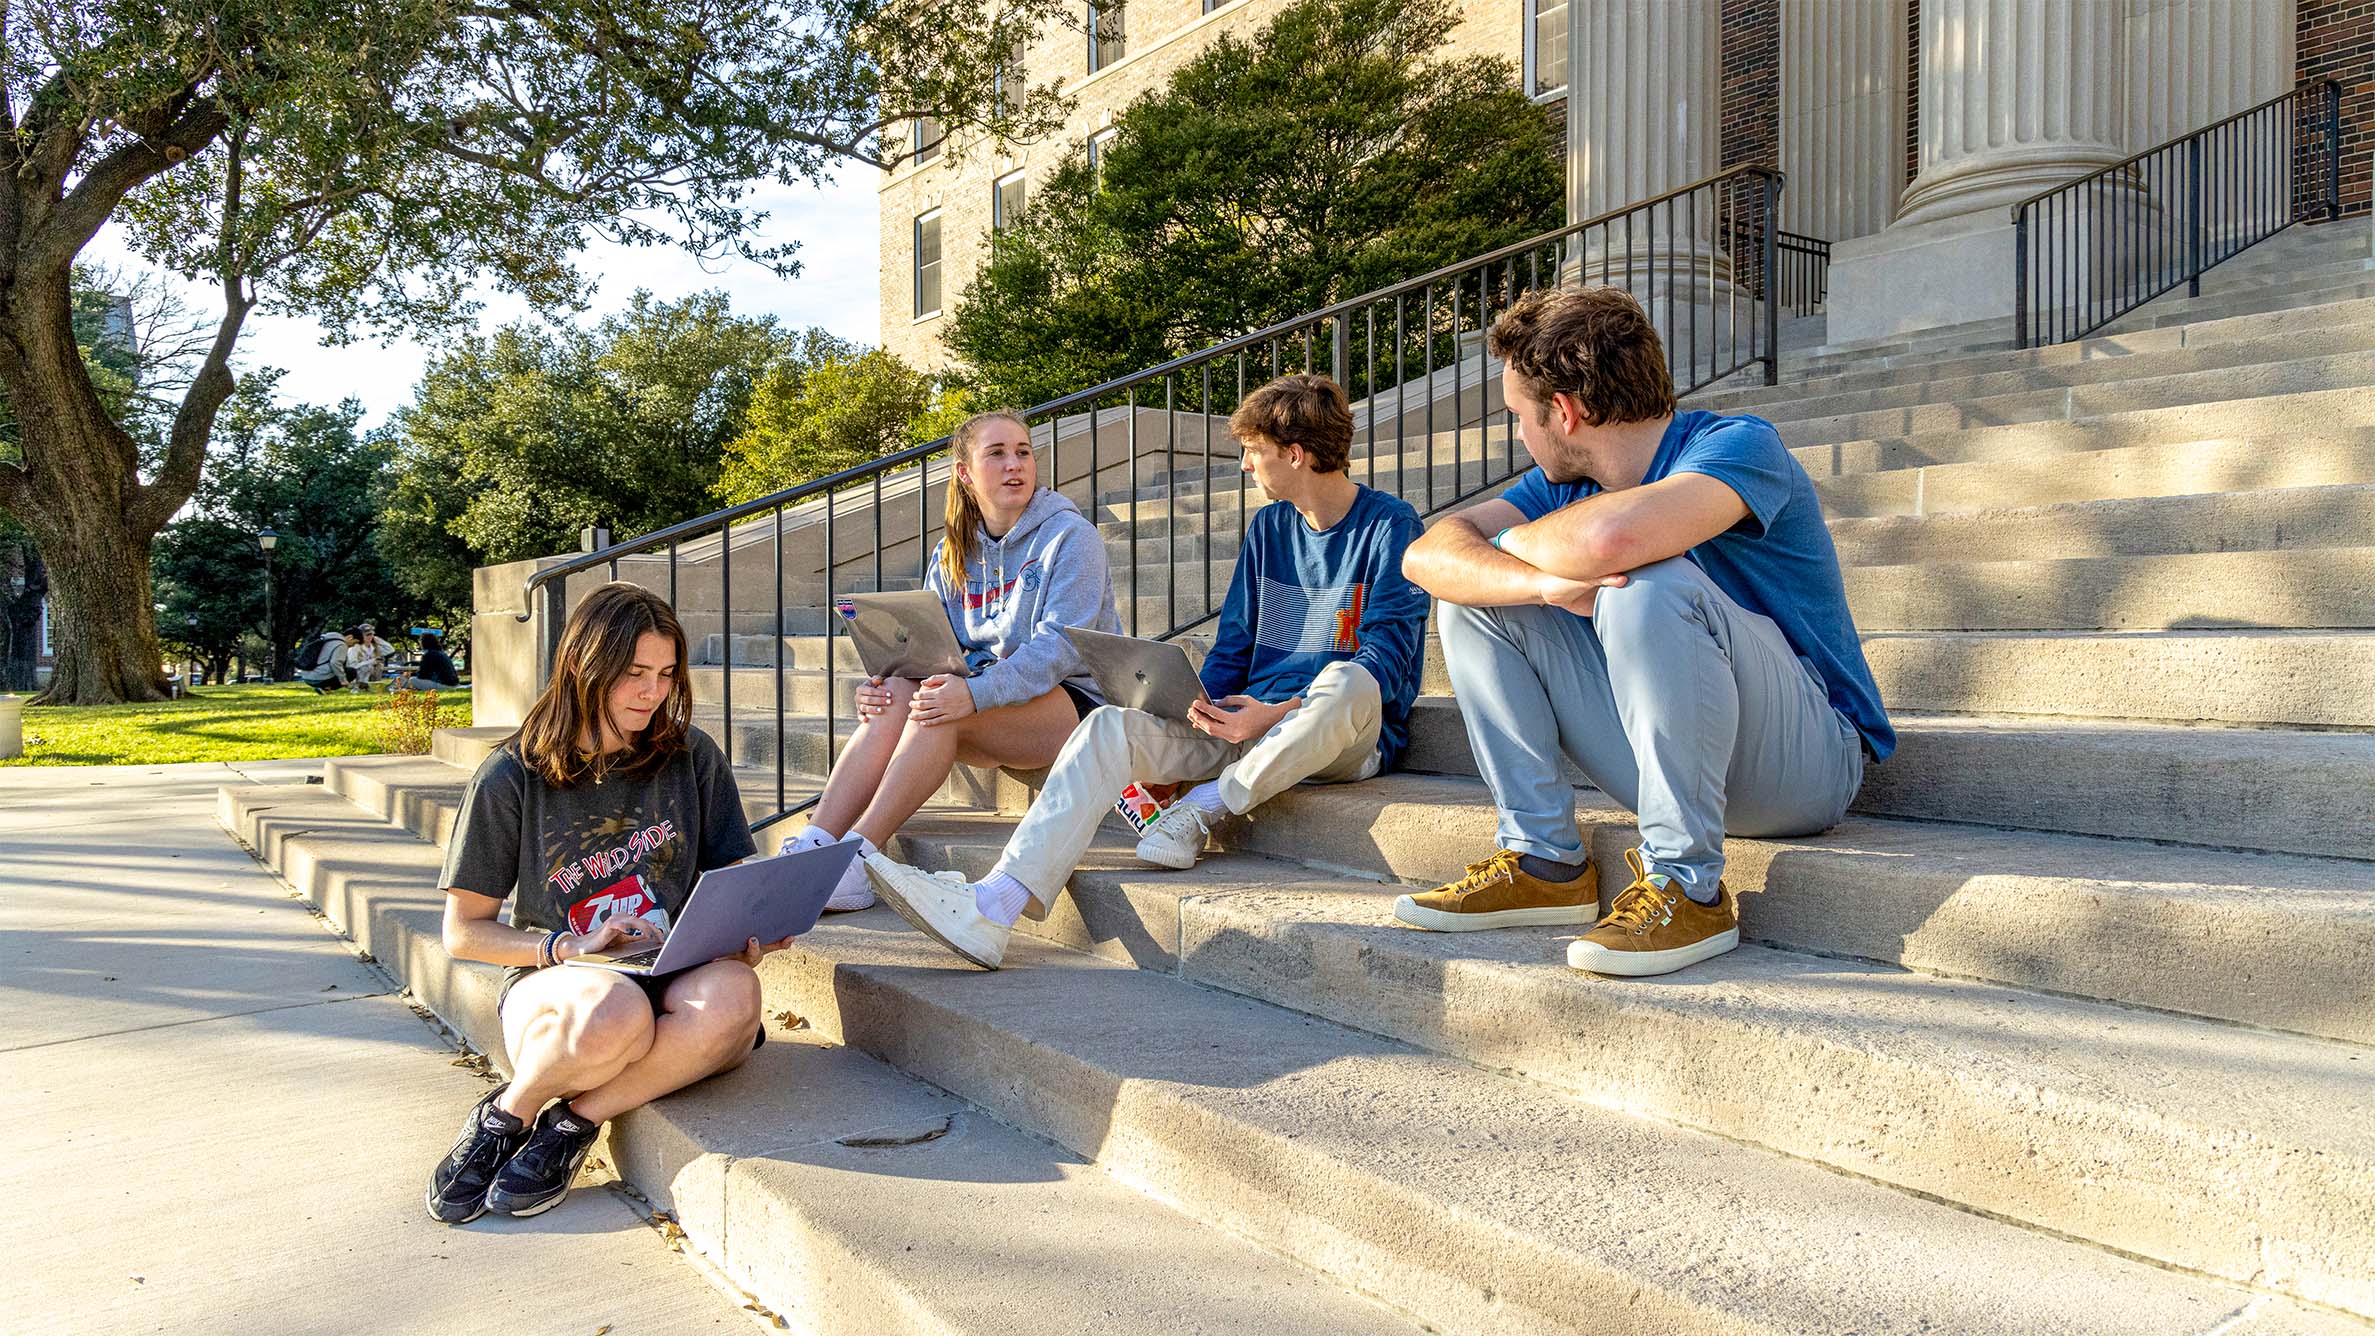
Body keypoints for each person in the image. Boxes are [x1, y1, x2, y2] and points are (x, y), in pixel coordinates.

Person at [1395, 286, 1892, 978]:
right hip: (1676, 759)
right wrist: (1536, 582)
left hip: (1804, 765)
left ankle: (1685, 887)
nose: (1519, 434)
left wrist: (1507, 539)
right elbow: (1425, 555)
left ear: (1564, 412)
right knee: (1474, 600)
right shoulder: (1563, 488)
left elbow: (1612, 538)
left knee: (1645, 585)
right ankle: (1544, 862)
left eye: (1518, 416)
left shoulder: (1738, 445)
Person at [863, 374, 1430, 970]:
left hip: (1339, 734)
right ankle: (996, 905)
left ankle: (1205, 805)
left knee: (1346, 681)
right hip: (1244, 725)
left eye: (1252, 451)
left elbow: (1386, 664)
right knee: (1109, 725)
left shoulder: (1390, 525)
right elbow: (1234, 645)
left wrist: (1279, 712)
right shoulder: (1269, 527)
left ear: (1294, 454)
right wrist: (1198, 704)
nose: (1243, 466)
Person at [426, 582, 772, 1225]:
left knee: (736, 999)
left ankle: (572, 1122)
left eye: (667, 674)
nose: (653, 692)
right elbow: (464, 933)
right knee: (615, 1013)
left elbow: (732, 877)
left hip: (673, 963)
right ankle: (508, 1115)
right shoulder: (510, 777)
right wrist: (564, 947)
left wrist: (750, 925)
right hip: (559, 981)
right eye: (634, 674)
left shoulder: (690, 755)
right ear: (586, 667)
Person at [775, 410, 1124, 914]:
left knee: (939, 710)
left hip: (1073, 701)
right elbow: (927, 647)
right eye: (997, 453)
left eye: (1023, 451)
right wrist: (882, 680)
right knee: (900, 694)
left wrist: (974, 693)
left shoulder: (1070, 537)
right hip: (985, 700)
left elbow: (1060, 648)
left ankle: (858, 860)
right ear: (965, 473)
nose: (1014, 465)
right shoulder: (950, 553)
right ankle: (814, 844)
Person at [293, 627, 351, 693]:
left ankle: (325, 688)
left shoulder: (325, 639)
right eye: (354, 643)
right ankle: (325, 688)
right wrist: (343, 680)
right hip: (320, 678)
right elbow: (335, 663)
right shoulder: (341, 645)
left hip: (306, 677)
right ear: (350, 637)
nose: (352, 646)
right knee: (351, 672)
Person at [398, 631, 463, 689]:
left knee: (412, 680)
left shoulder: (429, 655)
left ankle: (396, 687)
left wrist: (409, 675)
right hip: (452, 683)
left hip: (444, 684)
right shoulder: (441, 653)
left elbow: (422, 675)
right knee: (410, 679)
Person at [344, 621, 396, 689]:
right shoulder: (354, 647)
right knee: (367, 666)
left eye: (372, 634)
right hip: (357, 678)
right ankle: (360, 685)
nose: (370, 636)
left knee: (379, 665)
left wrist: (378, 640)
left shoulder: (375, 646)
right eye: (367, 634)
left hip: (371, 676)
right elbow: (352, 666)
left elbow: (391, 650)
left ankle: (375, 684)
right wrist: (371, 662)